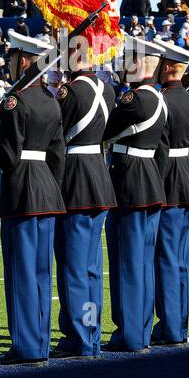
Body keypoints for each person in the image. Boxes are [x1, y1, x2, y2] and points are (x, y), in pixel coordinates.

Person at [0, 30, 66, 366]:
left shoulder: (16, 101)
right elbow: (58, 156)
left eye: (13, 58)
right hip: (47, 191)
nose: (10, 64)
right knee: (41, 272)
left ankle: (26, 346)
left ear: (24, 60)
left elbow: (10, 155)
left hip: (22, 190)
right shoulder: (52, 101)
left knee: (21, 271)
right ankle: (39, 341)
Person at [103, 35, 168, 354]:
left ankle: (129, 333)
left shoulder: (134, 100)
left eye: (128, 59)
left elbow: (104, 130)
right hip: (149, 182)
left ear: (141, 63)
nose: (123, 64)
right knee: (141, 262)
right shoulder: (158, 99)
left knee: (127, 262)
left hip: (128, 182)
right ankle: (140, 328)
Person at [52, 50, 117, 359]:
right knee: (91, 268)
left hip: (75, 179)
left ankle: (78, 337)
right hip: (99, 177)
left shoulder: (70, 91)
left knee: (73, 267)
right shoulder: (108, 89)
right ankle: (90, 332)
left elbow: (54, 131)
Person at [152, 42, 189, 347]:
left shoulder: (163, 101)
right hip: (186, 177)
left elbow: (158, 148)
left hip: (168, 181)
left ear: (168, 67)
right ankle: (178, 323)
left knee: (168, 259)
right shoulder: (188, 101)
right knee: (180, 259)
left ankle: (170, 327)